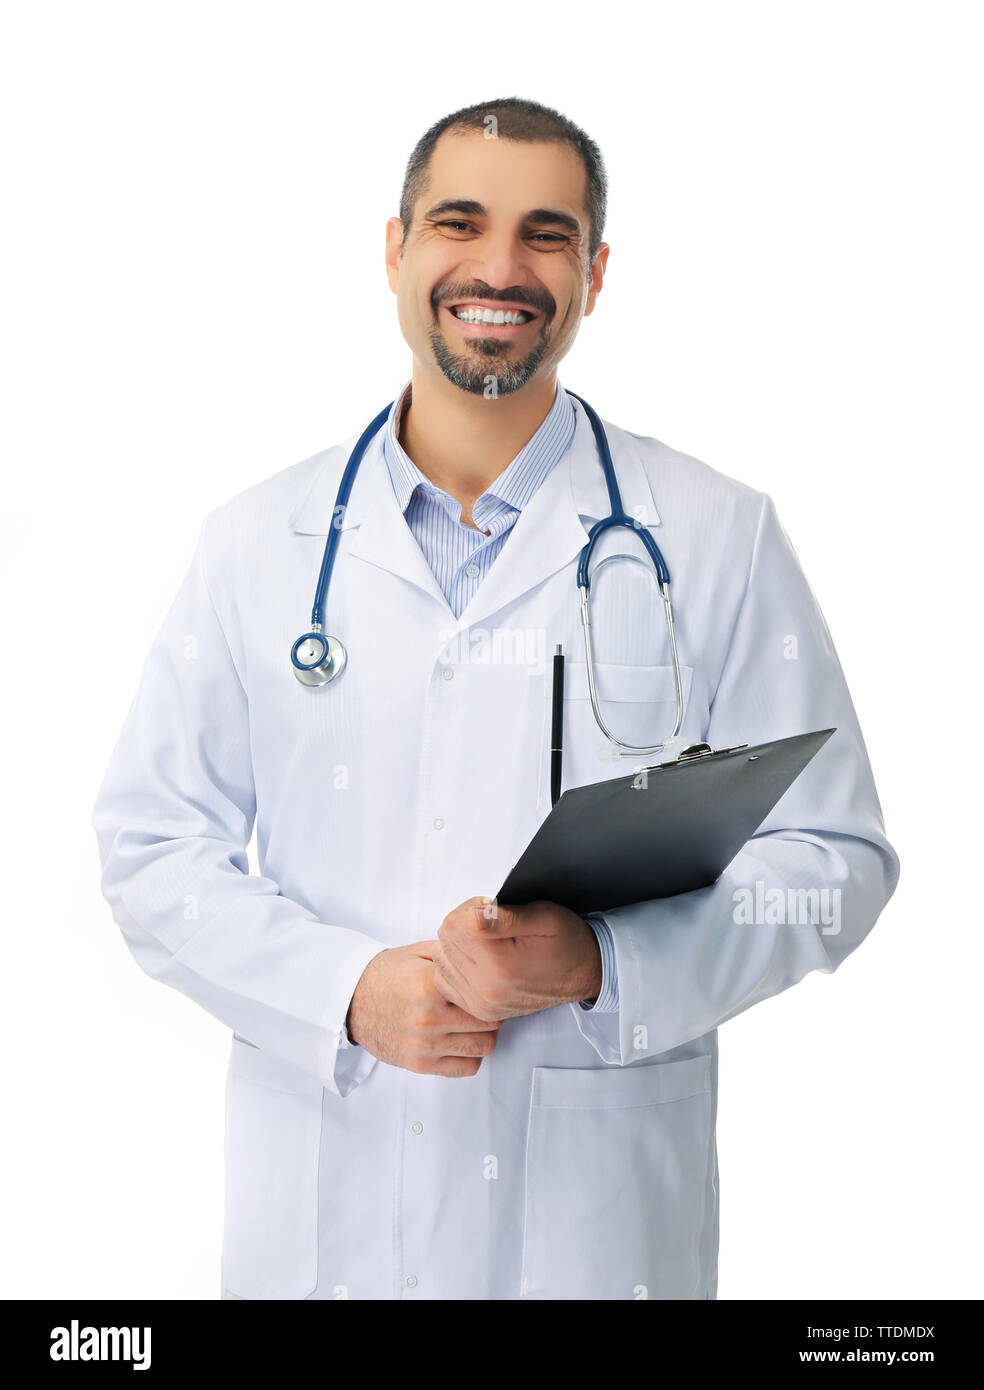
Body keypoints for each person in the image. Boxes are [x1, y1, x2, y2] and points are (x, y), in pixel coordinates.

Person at [91, 96, 900, 1301]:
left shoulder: (717, 534)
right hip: (328, 1214)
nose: (500, 268)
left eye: (547, 233)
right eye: (459, 223)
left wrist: (606, 966)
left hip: (596, 1228)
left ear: (597, 272)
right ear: (395, 249)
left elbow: (835, 858)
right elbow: (151, 846)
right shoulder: (259, 542)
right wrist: (347, 994)